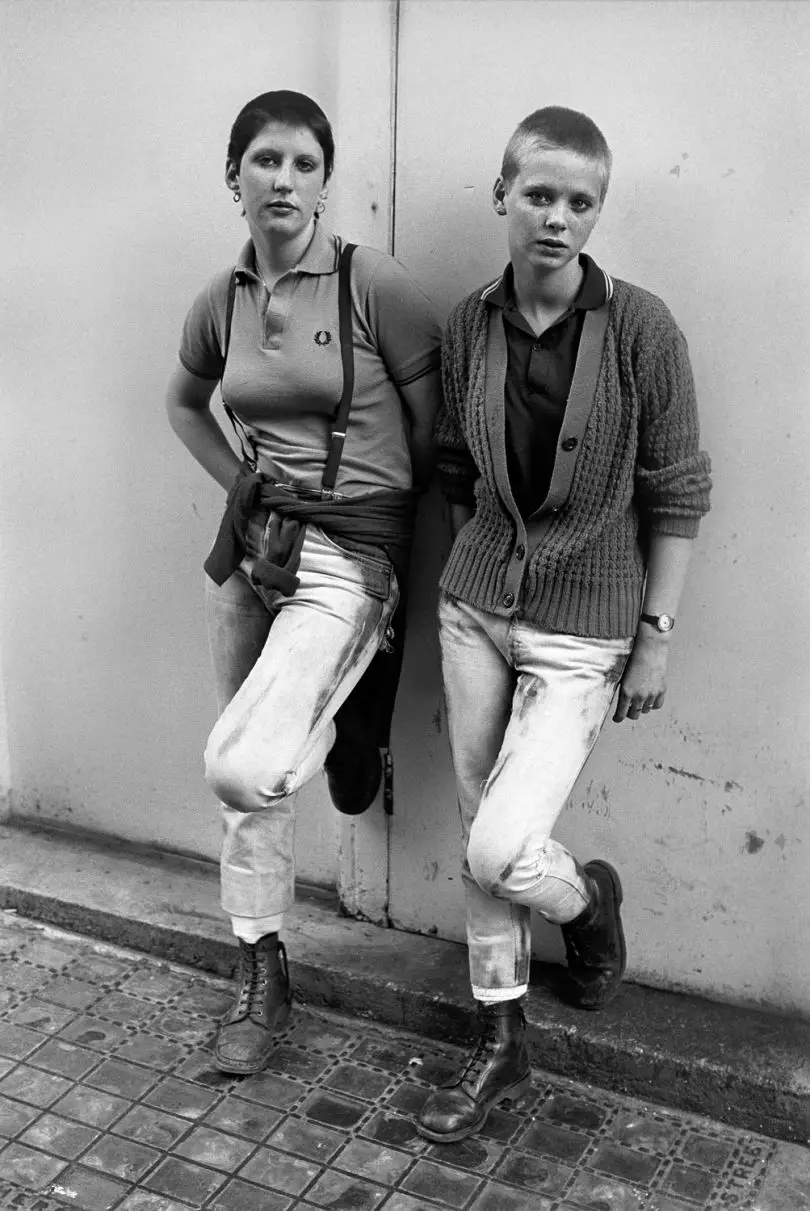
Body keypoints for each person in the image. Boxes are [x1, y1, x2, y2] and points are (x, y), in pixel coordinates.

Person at [417, 106, 712, 1143]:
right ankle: (501, 1039)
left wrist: (656, 630)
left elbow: (677, 488)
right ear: (503, 194)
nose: (557, 218)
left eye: (580, 201)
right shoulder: (468, 324)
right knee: (474, 833)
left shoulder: (641, 328)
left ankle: (588, 900)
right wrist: (479, 576)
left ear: (598, 211)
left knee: (504, 845)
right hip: (474, 612)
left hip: (584, 630)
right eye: (539, 194)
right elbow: (455, 467)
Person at [166, 90, 441, 1076]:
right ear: (232, 175)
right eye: (265, 161)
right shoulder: (223, 297)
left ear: (326, 182)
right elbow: (187, 403)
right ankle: (262, 969)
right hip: (249, 550)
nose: (283, 179)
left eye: (304, 163)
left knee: (243, 761)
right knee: (246, 778)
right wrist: (240, 487)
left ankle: (360, 698)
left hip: (349, 555)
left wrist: (393, 581)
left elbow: (432, 439)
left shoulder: (375, 285)